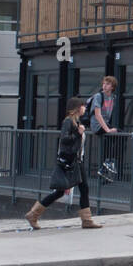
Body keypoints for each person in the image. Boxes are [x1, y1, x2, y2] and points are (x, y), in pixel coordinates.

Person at [24, 96, 102, 230]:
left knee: (84, 189)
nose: (84, 108)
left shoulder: (76, 121)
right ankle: (33, 214)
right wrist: (78, 133)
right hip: (71, 162)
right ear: (77, 108)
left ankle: (87, 220)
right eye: (83, 106)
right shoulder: (68, 122)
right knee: (60, 192)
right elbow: (64, 139)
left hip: (77, 161)